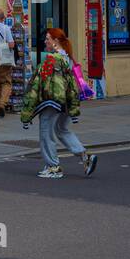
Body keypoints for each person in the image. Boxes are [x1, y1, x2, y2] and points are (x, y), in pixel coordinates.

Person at [21, 28, 97, 180]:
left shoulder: (52, 59)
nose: (45, 41)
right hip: (68, 101)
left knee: (46, 133)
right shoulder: (68, 58)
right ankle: (85, 156)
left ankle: (53, 167)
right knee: (61, 129)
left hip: (53, 103)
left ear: (55, 41)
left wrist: (28, 109)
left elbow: (38, 85)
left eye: (48, 39)